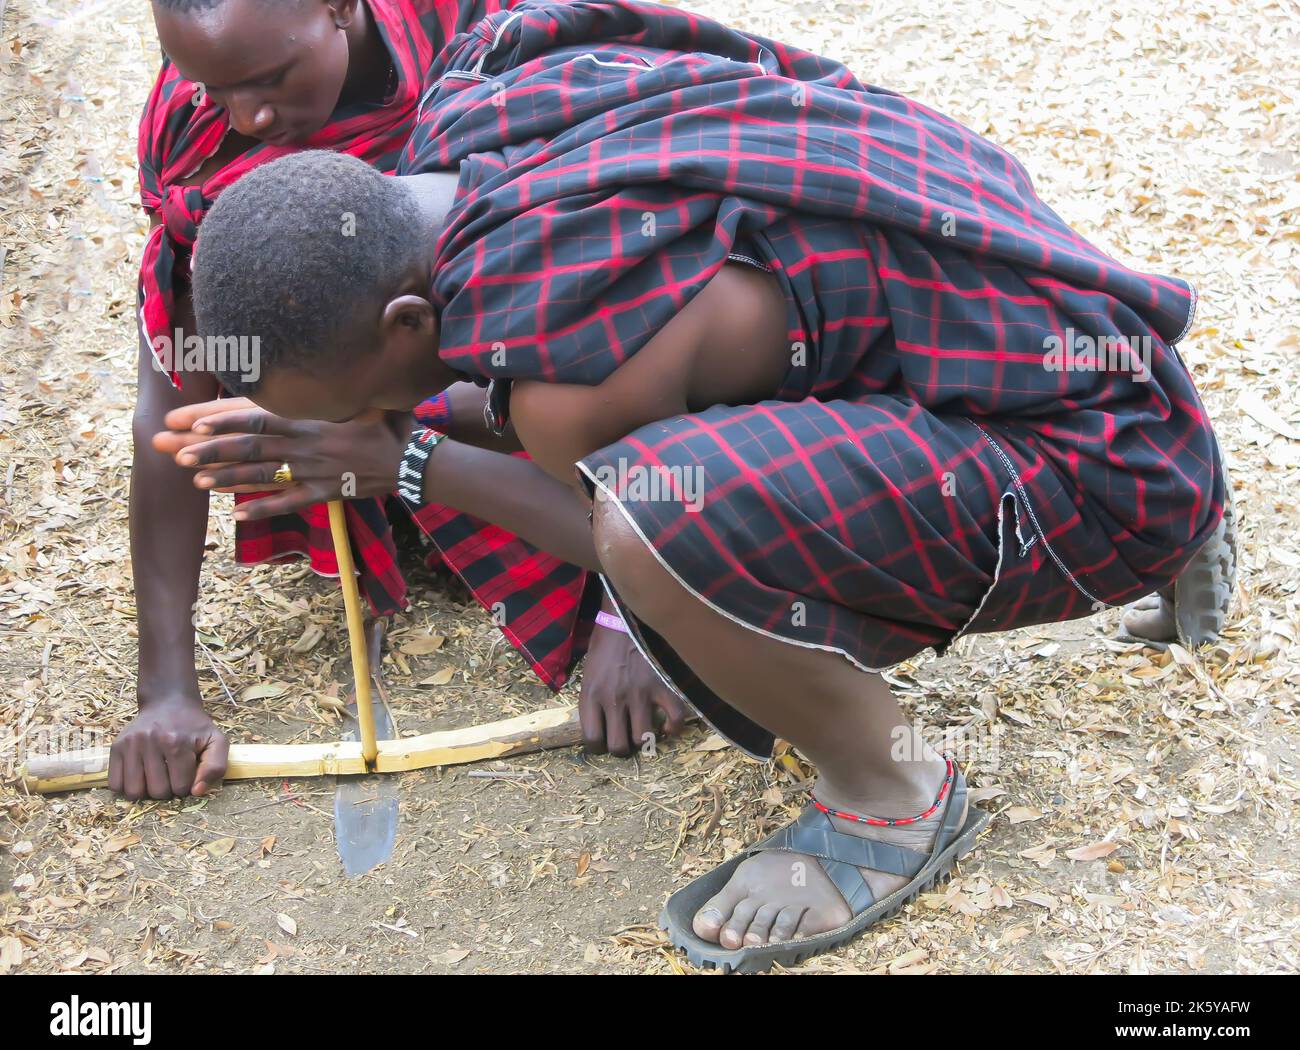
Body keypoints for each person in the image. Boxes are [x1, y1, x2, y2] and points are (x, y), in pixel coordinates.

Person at [183, 0, 1226, 970]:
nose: (359, 417)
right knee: (666, 482)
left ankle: (892, 792)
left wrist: (399, 460)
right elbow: (582, 370)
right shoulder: (492, 93)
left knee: (652, 519)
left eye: (353, 396)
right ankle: (1183, 496)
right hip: (1088, 340)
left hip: (1105, 467)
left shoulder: (566, 380)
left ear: (408, 327)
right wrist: (393, 424)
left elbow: (629, 537)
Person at [116, 0, 684, 803]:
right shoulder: (200, 132)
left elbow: (645, 311)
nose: (253, 116)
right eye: (217, 89)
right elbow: (175, 397)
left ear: (342, 6)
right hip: (392, 395)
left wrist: (640, 616)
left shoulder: (489, 43)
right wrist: (166, 689)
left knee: (570, 431)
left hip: (536, 401)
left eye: (271, 78)